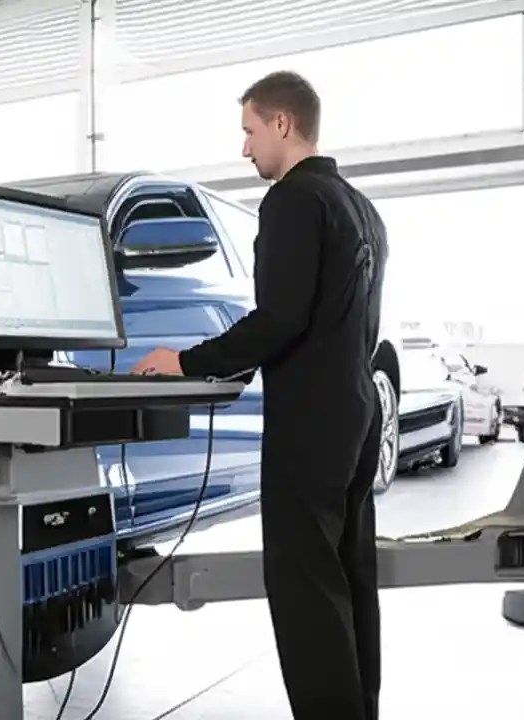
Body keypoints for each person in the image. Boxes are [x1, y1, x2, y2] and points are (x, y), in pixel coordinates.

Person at [131, 70, 388, 720]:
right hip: (357, 413)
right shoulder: (361, 208)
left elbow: (280, 318)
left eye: (249, 130)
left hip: (310, 425)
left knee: (304, 591)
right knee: (350, 579)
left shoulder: (294, 202)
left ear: (282, 124)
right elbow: (352, 324)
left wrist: (186, 361)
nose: (245, 148)